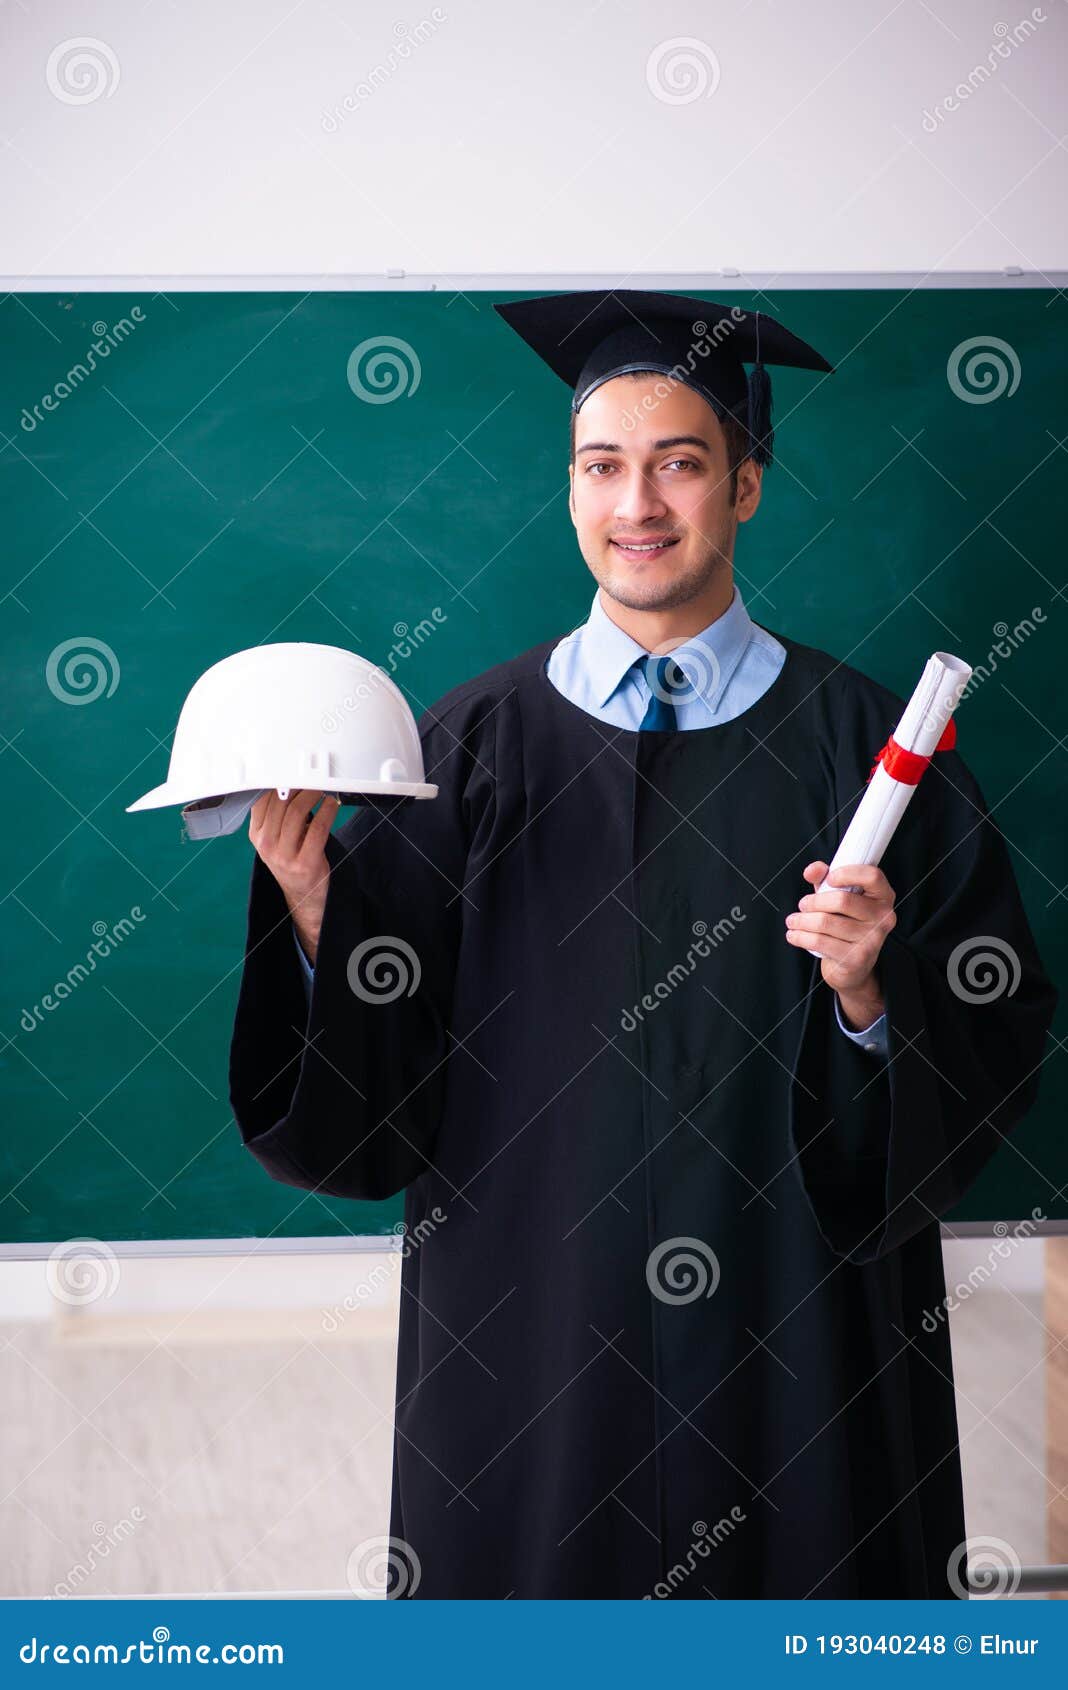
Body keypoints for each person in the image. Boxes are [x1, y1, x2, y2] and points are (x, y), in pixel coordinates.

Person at [228, 289, 1058, 1600]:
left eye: (679, 463)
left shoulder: (866, 747)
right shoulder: (464, 750)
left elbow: (992, 1032)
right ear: (569, 488)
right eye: (601, 466)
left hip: (799, 1343)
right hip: (535, 1343)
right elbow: (372, 1110)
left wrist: (868, 992)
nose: (638, 504)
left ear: (746, 485)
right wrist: (316, 907)